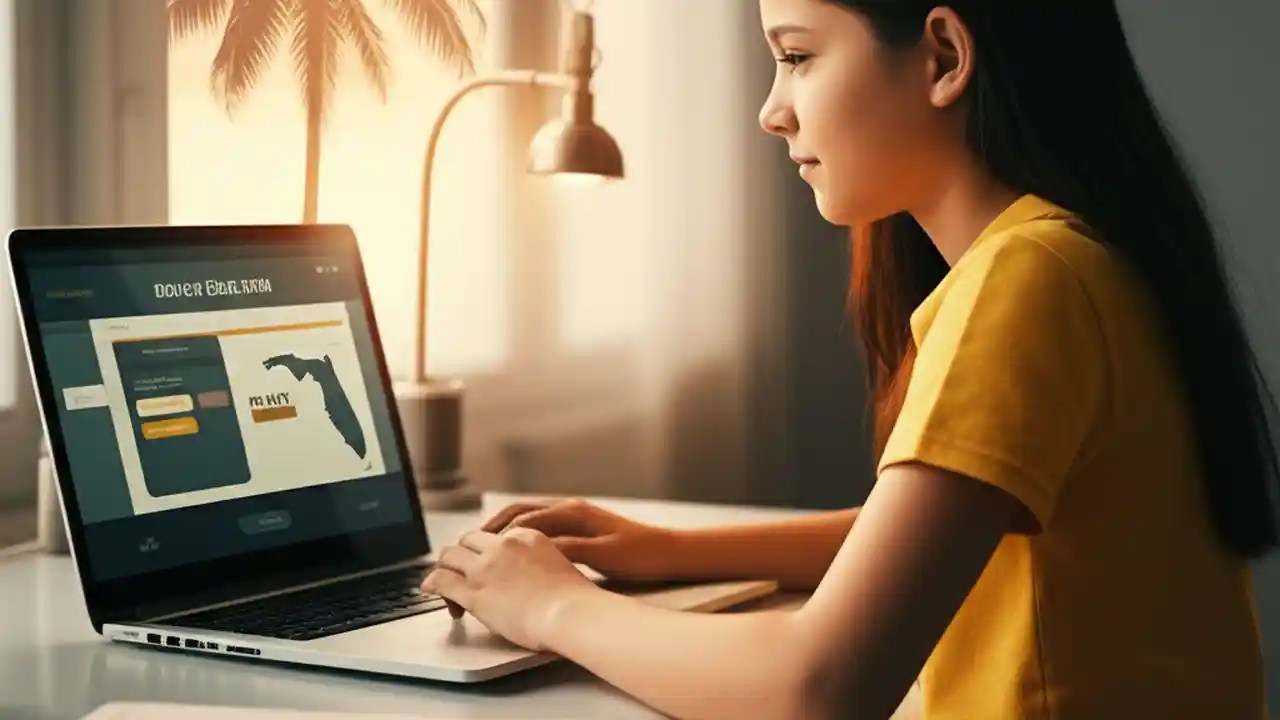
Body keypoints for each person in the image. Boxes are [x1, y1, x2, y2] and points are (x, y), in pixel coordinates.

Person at [421, 0, 1277, 717]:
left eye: (796, 56)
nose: (771, 109)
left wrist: (550, 604)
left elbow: (819, 686)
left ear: (944, 54)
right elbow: (929, 541)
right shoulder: (1086, 256)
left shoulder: (1030, 280)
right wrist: (670, 549)